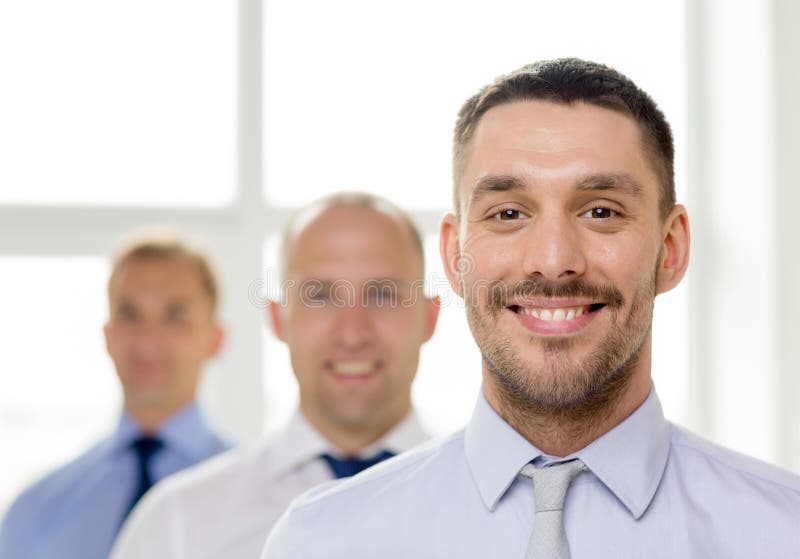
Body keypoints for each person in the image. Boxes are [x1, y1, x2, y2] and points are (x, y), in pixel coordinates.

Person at [261, 59, 800, 558]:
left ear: (671, 248)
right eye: (509, 213)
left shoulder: (783, 532)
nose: (553, 260)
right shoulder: (322, 542)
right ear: (454, 255)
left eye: (600, 211)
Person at [109, 192, 440, 559]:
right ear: (278, 318)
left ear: (430, 316)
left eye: (383, 295)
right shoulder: (174, 526)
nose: (352, 334)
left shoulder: (488, 513)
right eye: (319, 296)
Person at [0, 232, 230, 559]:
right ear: (107, 336)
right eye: (129, 315)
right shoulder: (34, 513)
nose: (148, 340)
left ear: (216, 338)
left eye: (175, 316)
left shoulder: (265, 501)